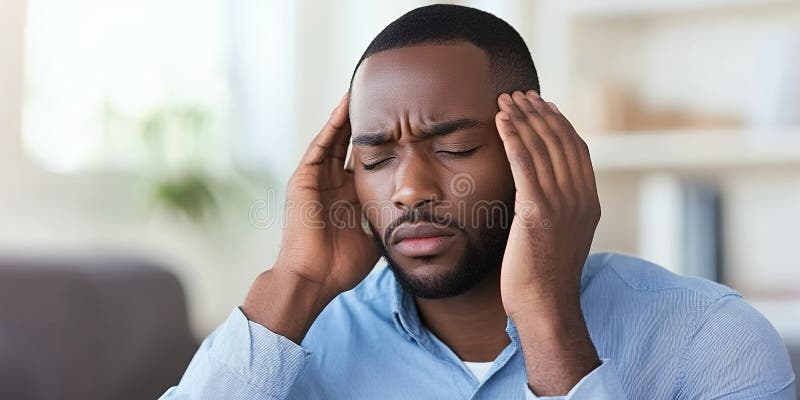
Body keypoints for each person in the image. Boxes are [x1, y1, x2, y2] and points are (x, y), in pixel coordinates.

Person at [161, 4, 796, 399]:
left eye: (456, 147)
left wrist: (549, 326)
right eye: (377, 158)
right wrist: (296, 281)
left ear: (541, 153)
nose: (409, 190)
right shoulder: (295, 346)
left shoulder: (706, 337)